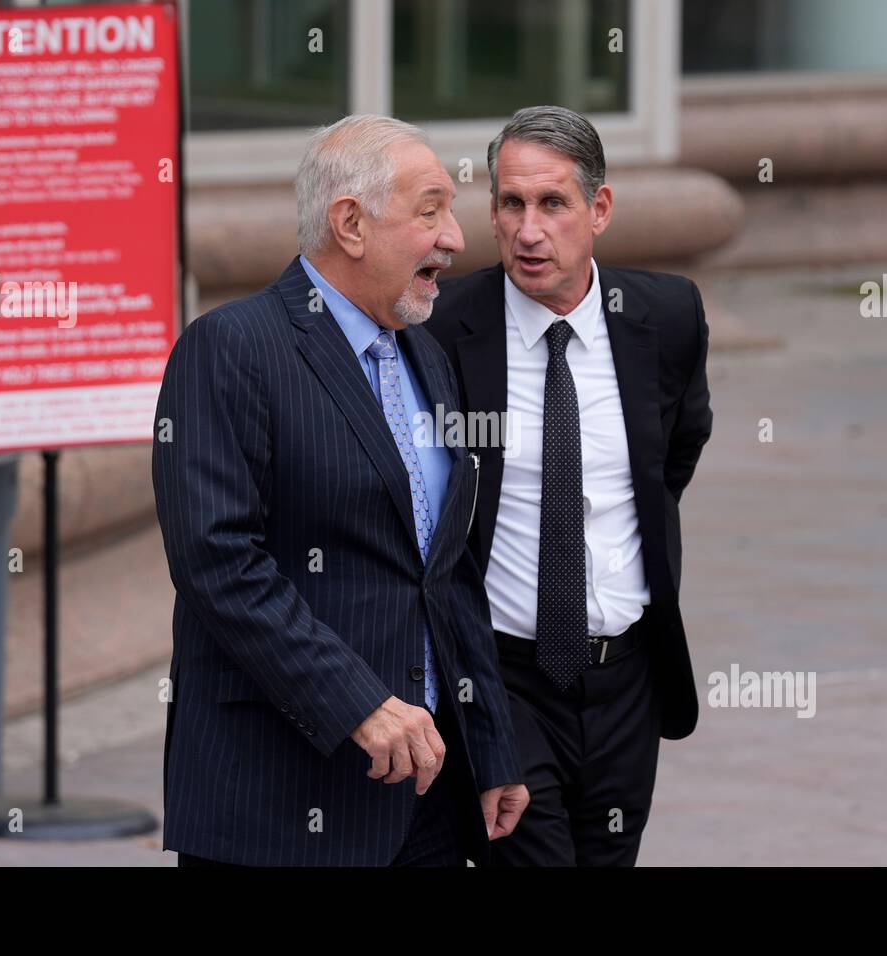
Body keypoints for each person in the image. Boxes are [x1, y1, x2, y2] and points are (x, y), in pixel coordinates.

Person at [153, 114, 528, 867]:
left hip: (425, 798)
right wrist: (357, 701)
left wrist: (488, 743)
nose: (454, 238)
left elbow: (444, 572)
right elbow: (219, 563)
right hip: (280, 804)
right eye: (431, 211)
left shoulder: (426, 352)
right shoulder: (233, 349)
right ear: (350, 223)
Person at [428, 105, 713, 866]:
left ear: (599, 209)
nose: (528, 230)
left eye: (552, 203)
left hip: (629, 679)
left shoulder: (668, 316)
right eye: (511, 204)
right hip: (504, 680)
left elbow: (672, 459)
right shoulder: (443, 330)